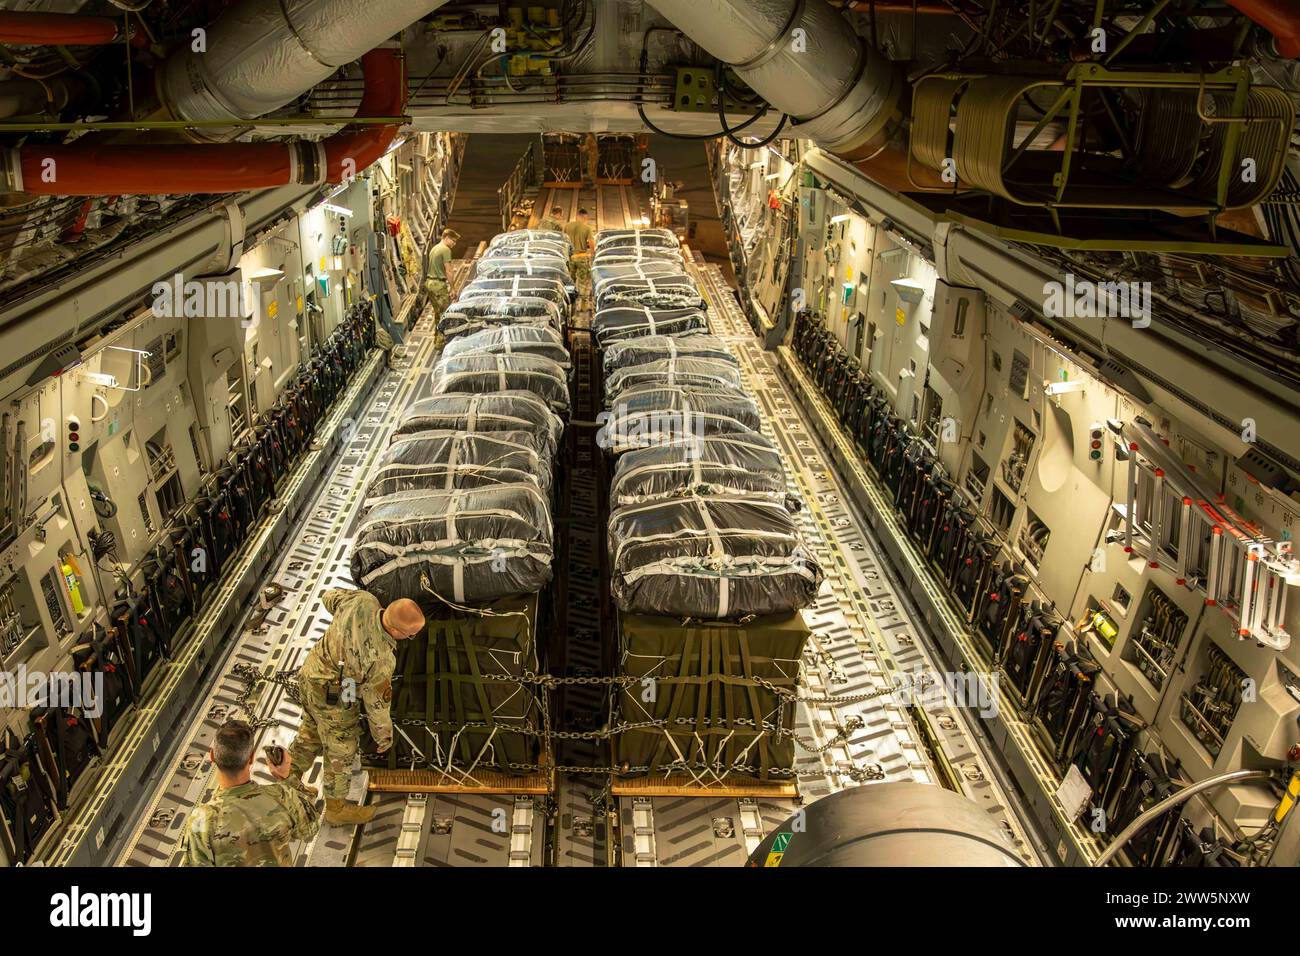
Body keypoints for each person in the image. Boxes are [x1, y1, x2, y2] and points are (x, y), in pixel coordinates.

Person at [287, 589, 426, 825]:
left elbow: (328, 597)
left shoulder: (363, 600)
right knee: (341, 747)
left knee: (311, 731)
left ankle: (288, 783)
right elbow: (377, 706)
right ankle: (336, 808)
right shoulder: (381, 658)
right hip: (334, 696)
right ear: (395, 631)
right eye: (410, 635)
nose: (410, 638)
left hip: (310, 674)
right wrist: (384, 738)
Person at [180, 719, 320, 867]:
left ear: (212, 756)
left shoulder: (202, 822)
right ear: (251, 758)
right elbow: (310, 828)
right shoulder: (280, 796)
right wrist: (287, 779)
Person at [424, 228, 459, 321]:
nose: (454, 244)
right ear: (446, 238)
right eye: (453, 241)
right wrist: (453, 288)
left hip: (429, 284)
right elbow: (449, 271)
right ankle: (443, 335)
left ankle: (438, 335)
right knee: (446, 314)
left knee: (438, 314)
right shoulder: (445, 250)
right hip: (438, 285)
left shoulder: (434, 248)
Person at [563, 207, 595, 292]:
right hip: (581, 257)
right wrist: (593, 254)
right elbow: (591, 243)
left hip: (570, 257)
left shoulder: (567, 225)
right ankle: (582, 300)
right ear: (585, 217)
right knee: (583, 281)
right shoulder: (587, 228)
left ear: (577, 216)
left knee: (570, 279)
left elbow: (563, 240)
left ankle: (570, 298)